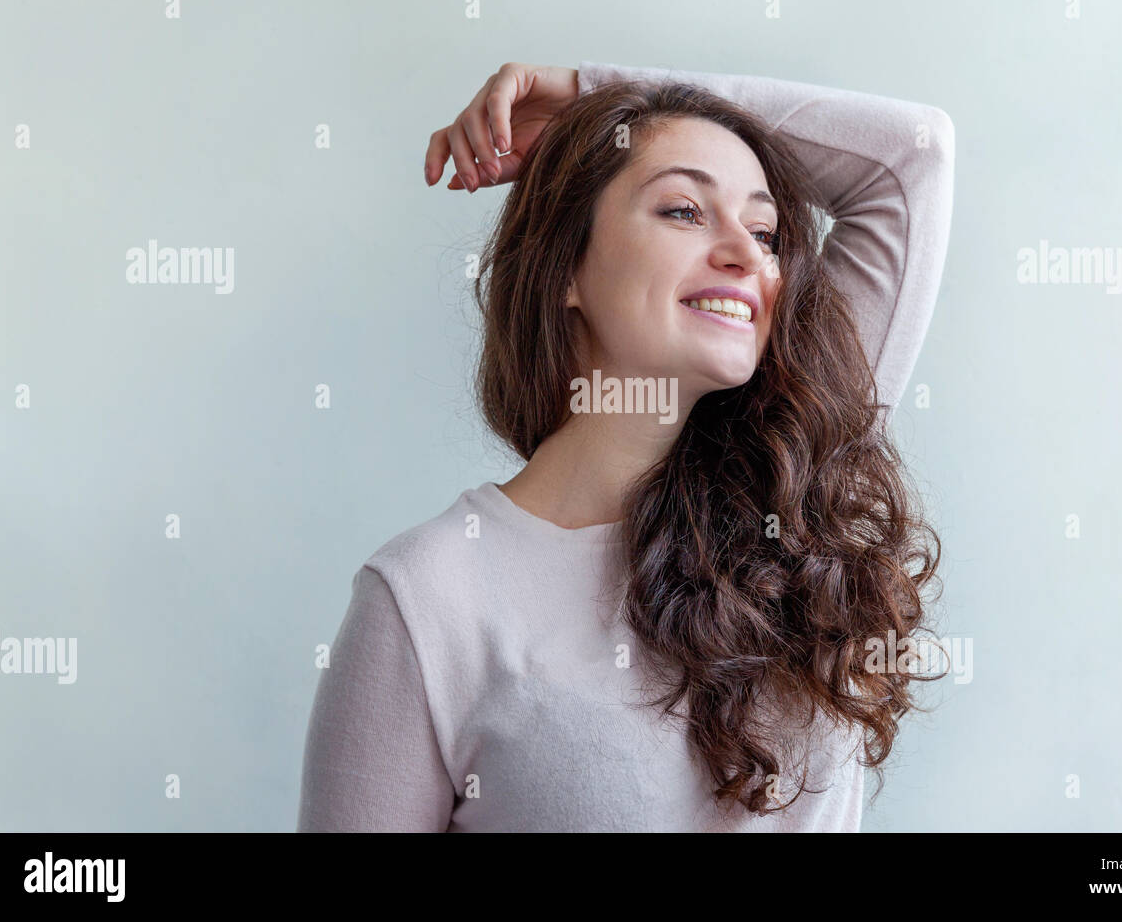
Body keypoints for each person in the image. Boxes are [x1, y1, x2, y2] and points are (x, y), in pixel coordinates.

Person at [298, 60, 955, 831]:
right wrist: (603, 122)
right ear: (566, 266)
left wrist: (588, 90)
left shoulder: (796, 481)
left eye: (766, 230)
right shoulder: (426, 601)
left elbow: (917, 153)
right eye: (683, 210)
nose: (745, 252)